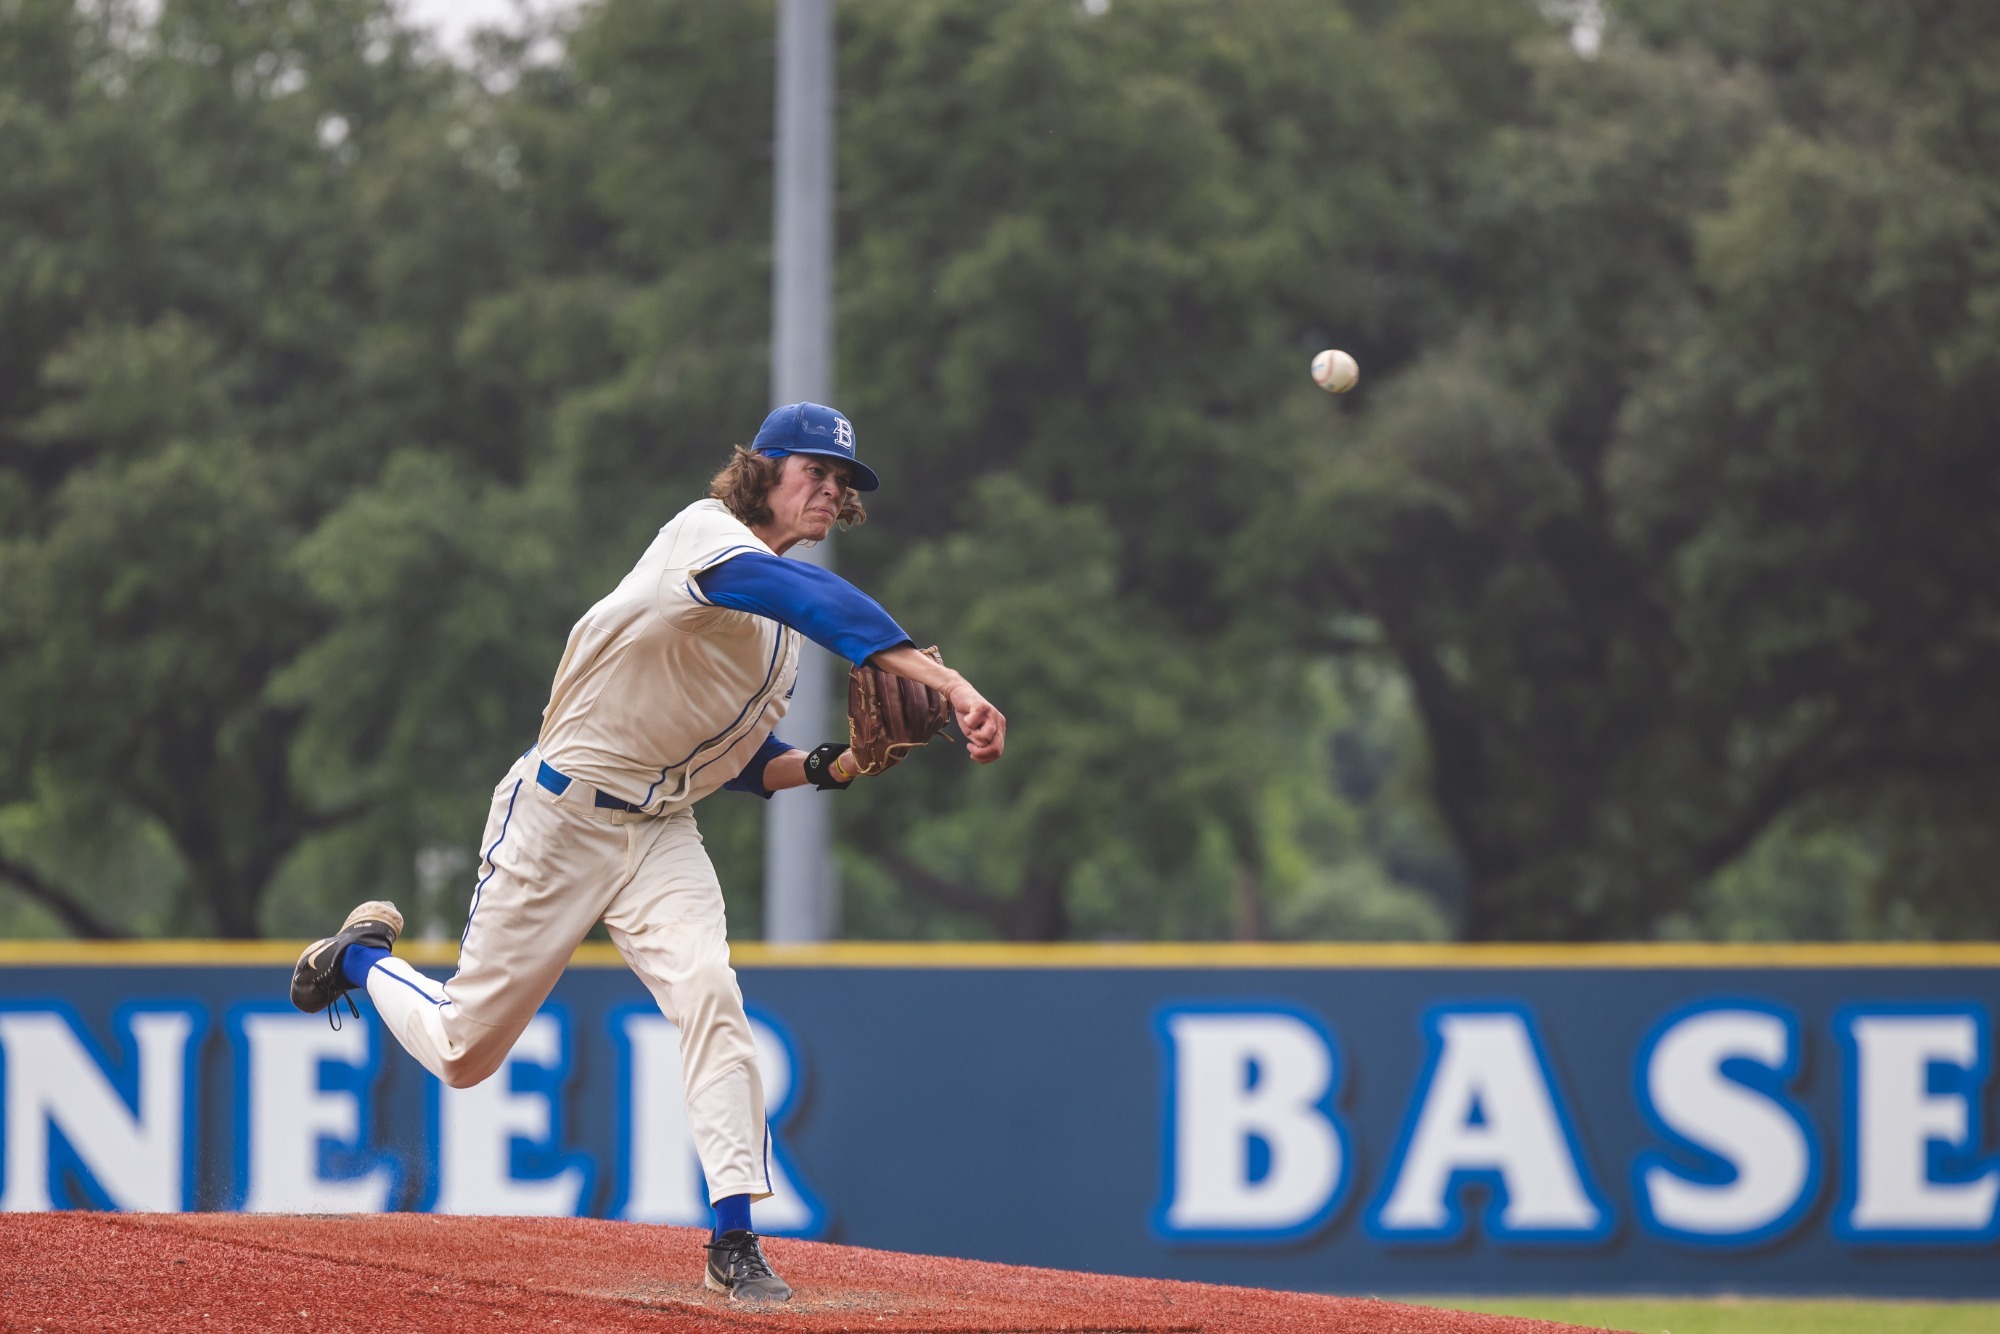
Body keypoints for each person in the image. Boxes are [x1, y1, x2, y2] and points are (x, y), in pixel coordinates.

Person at [288, 402, 1006, 1303]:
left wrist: (844, 763)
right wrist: (945, 678)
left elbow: (740, 765)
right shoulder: (703, 542)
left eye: (843, 482)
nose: (831, 490)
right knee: (466, 1053)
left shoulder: (777, 641)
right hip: (559, 817)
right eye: (814, 472)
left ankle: (734, 1240)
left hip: (661, 825)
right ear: (763, 472)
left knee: (711, 991)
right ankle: (358, 959)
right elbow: (811, 598)